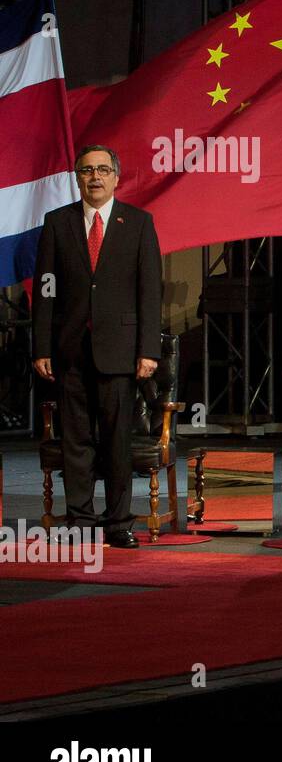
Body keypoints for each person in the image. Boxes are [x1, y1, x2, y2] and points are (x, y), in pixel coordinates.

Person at [32, 145, 163, 549]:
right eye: (87, 170)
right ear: (77, 177)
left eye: (103, 170)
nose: (95, 177)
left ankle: (119, 522)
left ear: (116, 177)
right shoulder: (58, 222)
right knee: (76, 441)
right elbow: (45, 290)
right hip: (70, 351)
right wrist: (42, 346)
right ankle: (80, 520)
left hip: (121, 351)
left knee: (116, 441)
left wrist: (148, 350)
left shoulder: (138, 223)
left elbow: (149, 292)